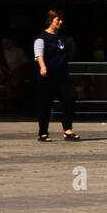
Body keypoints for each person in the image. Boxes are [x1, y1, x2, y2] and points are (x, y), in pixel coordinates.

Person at [34, 9, 79, 141]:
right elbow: (38, 54)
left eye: (61, 20)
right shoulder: (42, 37)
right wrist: (43, 67)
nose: (60, 22)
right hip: (48, 76)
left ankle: (68, 130)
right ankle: (43, 133)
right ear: (50, 21)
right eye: (58, 19)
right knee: (45, 104)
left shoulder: (62, 37)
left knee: (68, 100)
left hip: (63, 76)